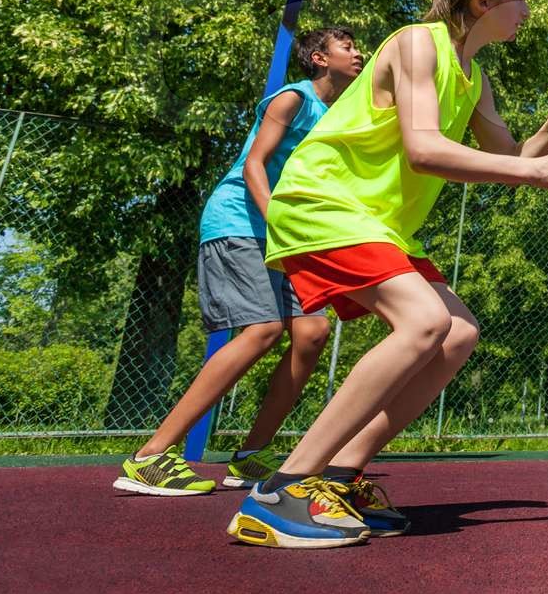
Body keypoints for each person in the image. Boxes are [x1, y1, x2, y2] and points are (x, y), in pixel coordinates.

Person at [226, 0, 548, 549]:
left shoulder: (473, 77)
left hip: (375, 223)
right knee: (425, 321)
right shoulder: (414, 43)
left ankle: (344, 475)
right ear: (483, 0)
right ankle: (281, 489)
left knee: (458, 333)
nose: (527, 9)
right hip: (324, 204)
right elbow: (426, 149)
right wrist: (532, 171)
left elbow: (508, 161)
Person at [114, 28, 363, 497]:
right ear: (318, 57)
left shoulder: (337, 116)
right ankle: (151, 456)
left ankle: (251, 457)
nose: (358, 53)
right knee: (263, 329)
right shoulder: (292, 99)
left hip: (284, 234)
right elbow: (254, 165)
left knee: (312, 332)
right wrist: (279, 224)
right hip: (240, 222)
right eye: (346, 47)